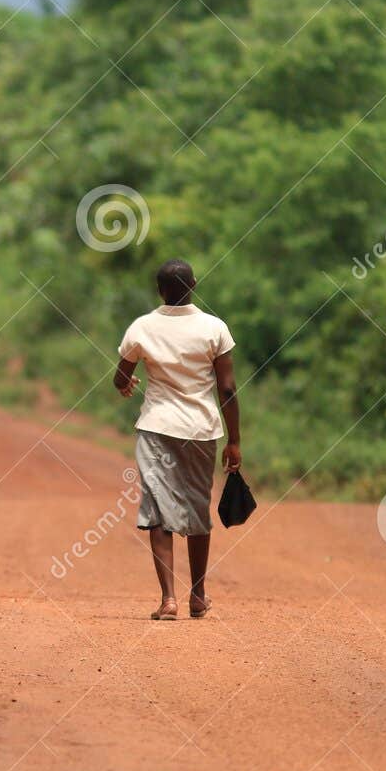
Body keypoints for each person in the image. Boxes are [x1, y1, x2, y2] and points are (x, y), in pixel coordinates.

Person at [113, 259, 240, 621]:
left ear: (159, 290)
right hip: (201, 430)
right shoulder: (215, 328)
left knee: (157, 510)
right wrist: (235, 441)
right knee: (197, 508)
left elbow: (120, 377)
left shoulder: (142, 327)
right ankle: (197, 595)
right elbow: (227, 388)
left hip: (156, 426)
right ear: (195, 285)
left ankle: (168, 599)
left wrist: (127, 384)